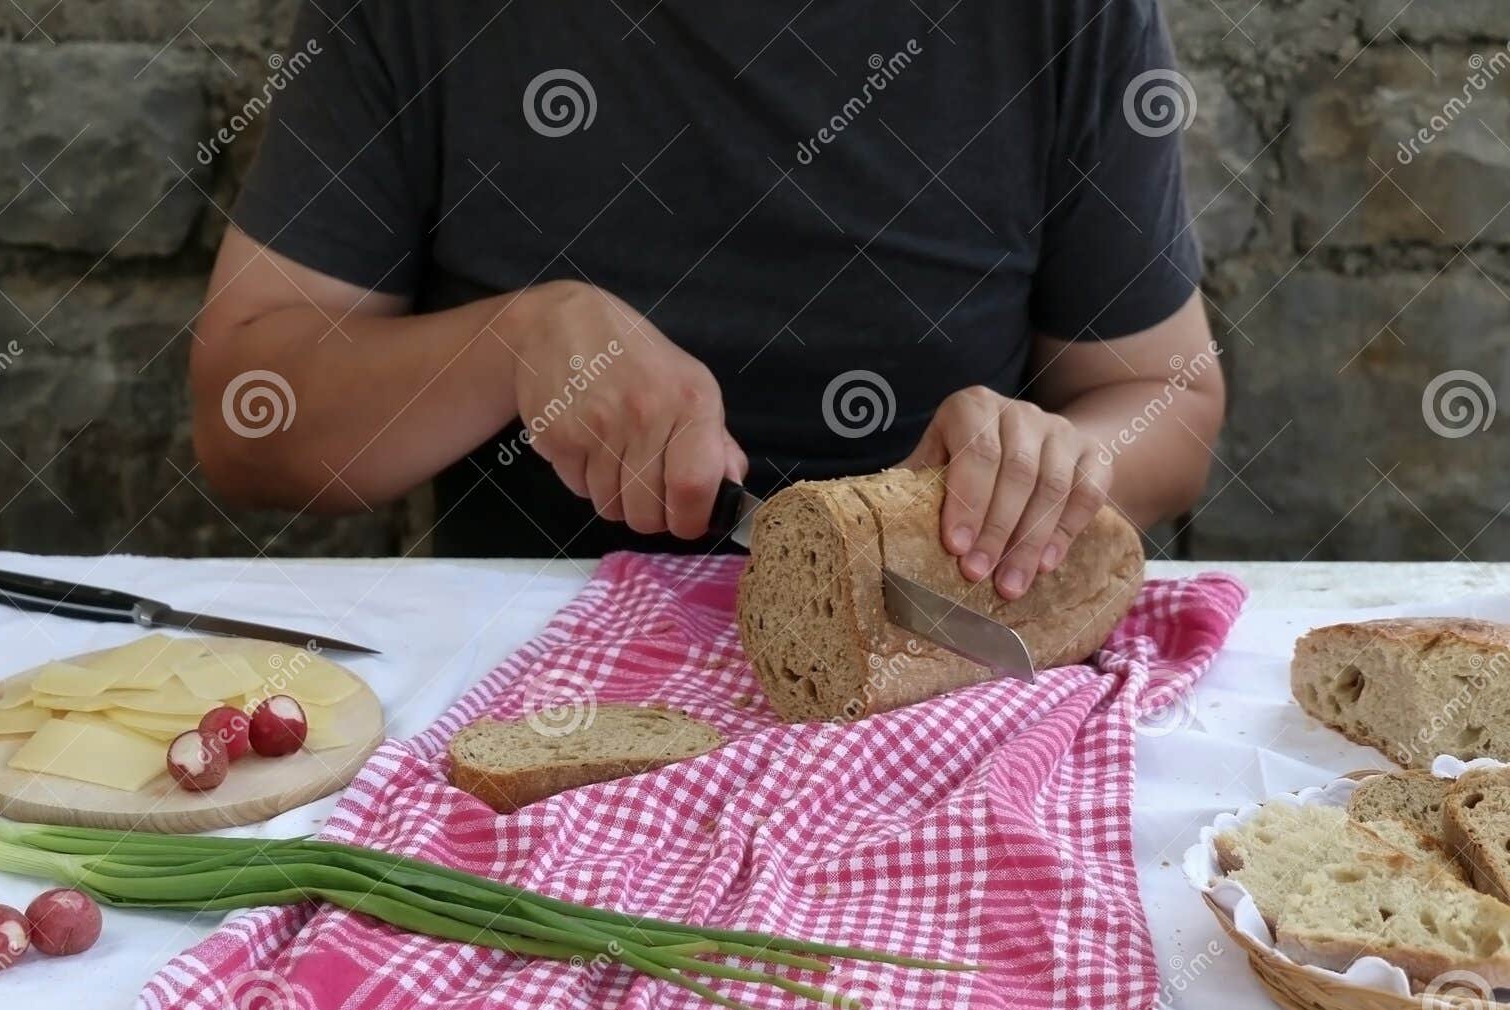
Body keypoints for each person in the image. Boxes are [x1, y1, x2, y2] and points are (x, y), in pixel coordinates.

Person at [190, 1, 1224, 599]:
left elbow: (1166, 398)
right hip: (536, 700)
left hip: (943, 657)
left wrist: (1054, 466)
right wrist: (512, 342)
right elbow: (246, 415)